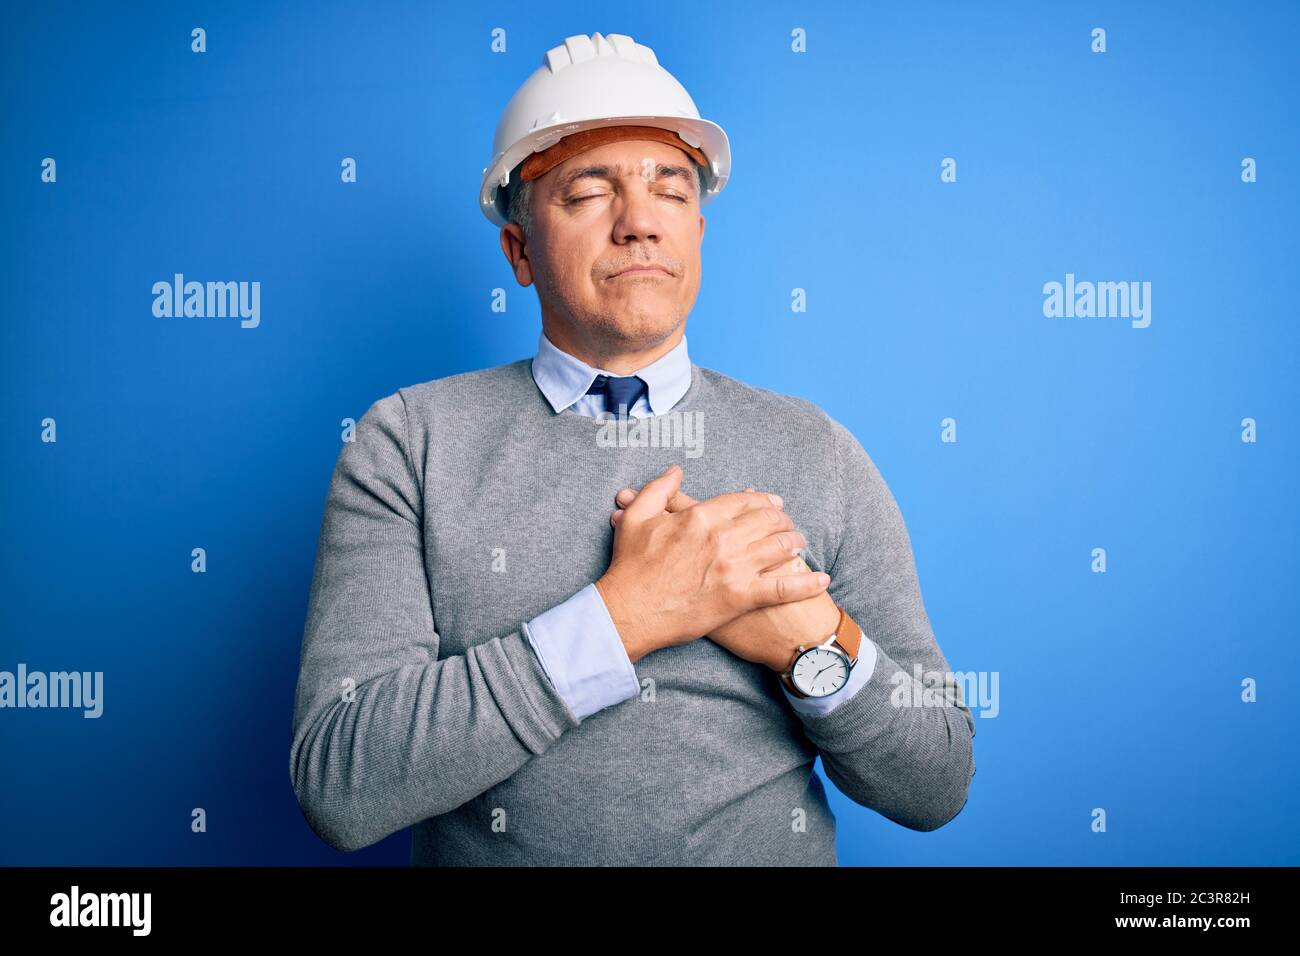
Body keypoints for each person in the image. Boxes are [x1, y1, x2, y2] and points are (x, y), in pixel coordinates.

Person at [290, 31, 975, 865]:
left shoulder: (815, 450)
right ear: (519, 251)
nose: (639, 222)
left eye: (670, 189)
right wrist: (627, 617)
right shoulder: (407, 445)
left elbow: (936, 784)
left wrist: (813, 644)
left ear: (697, 231)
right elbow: (339, 783)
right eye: (588, 191)